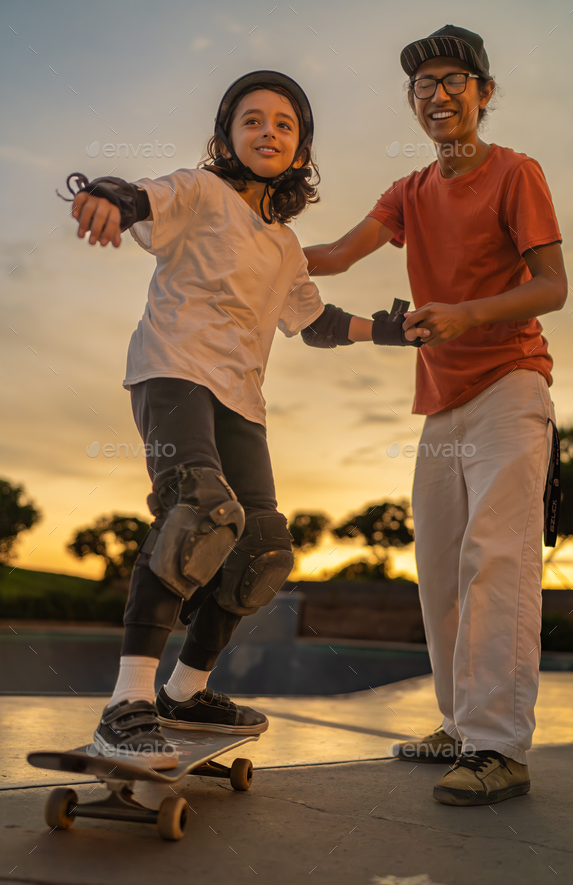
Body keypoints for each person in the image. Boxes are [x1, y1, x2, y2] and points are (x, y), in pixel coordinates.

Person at [63, 70, 429, 763]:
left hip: (242, 398)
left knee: (263, 546)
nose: (268, 132)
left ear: (301, 148)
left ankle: (185, 690)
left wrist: (389, 331)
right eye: (252, 120)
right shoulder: (200, 192)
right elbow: (143, 196)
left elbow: (312, 320)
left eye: (284, 124)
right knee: (199, 509)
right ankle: (127, 701)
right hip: (172, 370)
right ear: (228, 136)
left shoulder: (284, 245)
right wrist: (107, 196)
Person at [303, 26, 567, 806]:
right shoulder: (410, 192)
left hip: (512, 386)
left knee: (498, 556)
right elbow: (337, 253)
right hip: (442, 403)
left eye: (455, 81)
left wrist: (465, 315)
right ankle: (460, 725)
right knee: (442, 571)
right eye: (424, 86)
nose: (438, 95)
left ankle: (499, 746)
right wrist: (243, 224)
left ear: (483, 94)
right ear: (413, 105)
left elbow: (553, 285)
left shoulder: (516, 172)